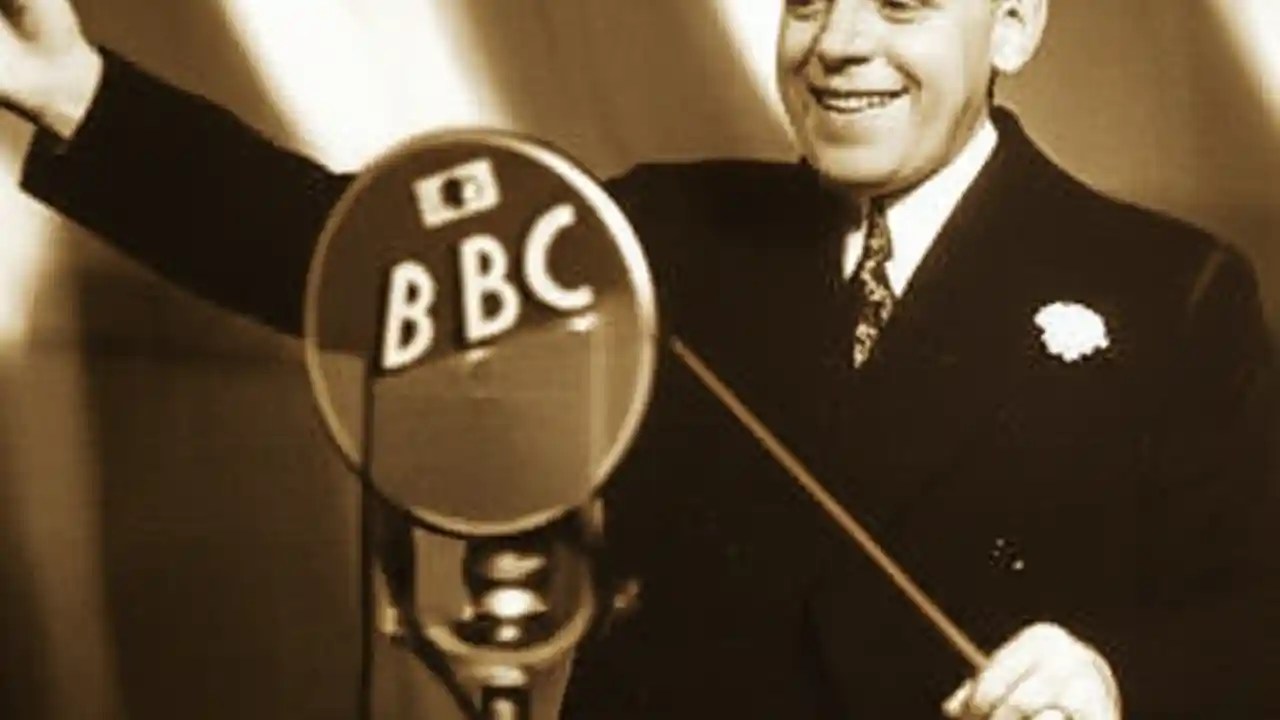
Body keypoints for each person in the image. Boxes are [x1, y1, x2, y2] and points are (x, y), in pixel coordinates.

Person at [3, 0, 1276, 717]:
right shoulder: (667, 227)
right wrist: (78, 96)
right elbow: (351, 255)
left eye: (899, 1)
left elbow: (1252, 616)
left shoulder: (1170, 288)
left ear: (1012, 22)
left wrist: (1112, 675)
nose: (837, 43)